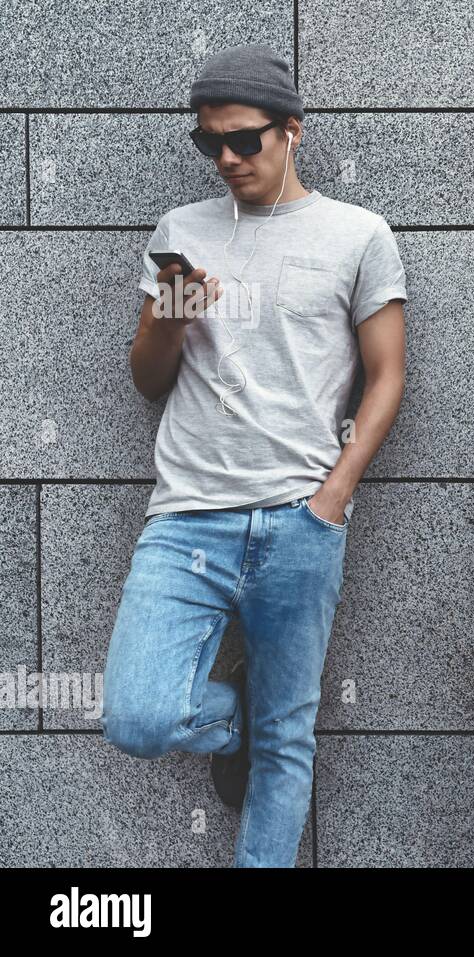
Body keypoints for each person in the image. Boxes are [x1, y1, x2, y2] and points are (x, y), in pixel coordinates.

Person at [100, 44, 408, 867]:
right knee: (138, 717)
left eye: (245, 141)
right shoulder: (181, 232)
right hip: (187, 517)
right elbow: (149, 379)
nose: (227, 159)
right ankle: (233, 708)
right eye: (210, 145)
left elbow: (387, 377)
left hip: (300, 519)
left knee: (287, 741)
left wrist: (333, 495)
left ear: (292, 132)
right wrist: (171, 310)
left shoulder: (358, 235)